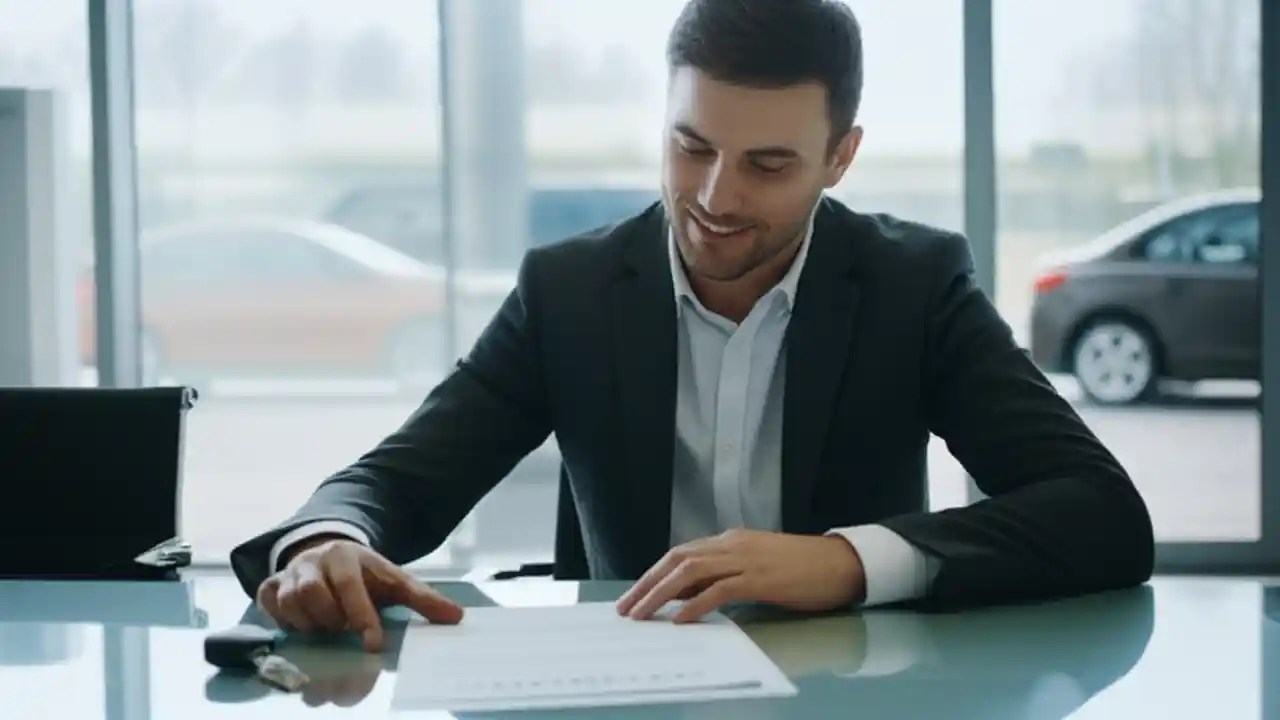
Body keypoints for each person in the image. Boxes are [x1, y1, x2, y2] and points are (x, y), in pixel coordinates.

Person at [231, 0, 1154, 653]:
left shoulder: (913, 284)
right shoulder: (571, 289)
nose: (714, 197)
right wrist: (324, 542)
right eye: (691, 146)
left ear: (841, 158)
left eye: (767, 164)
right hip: (627, 685)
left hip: (856, 694)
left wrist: (842, 563)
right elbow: (396, 480)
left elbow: (1102, 515)